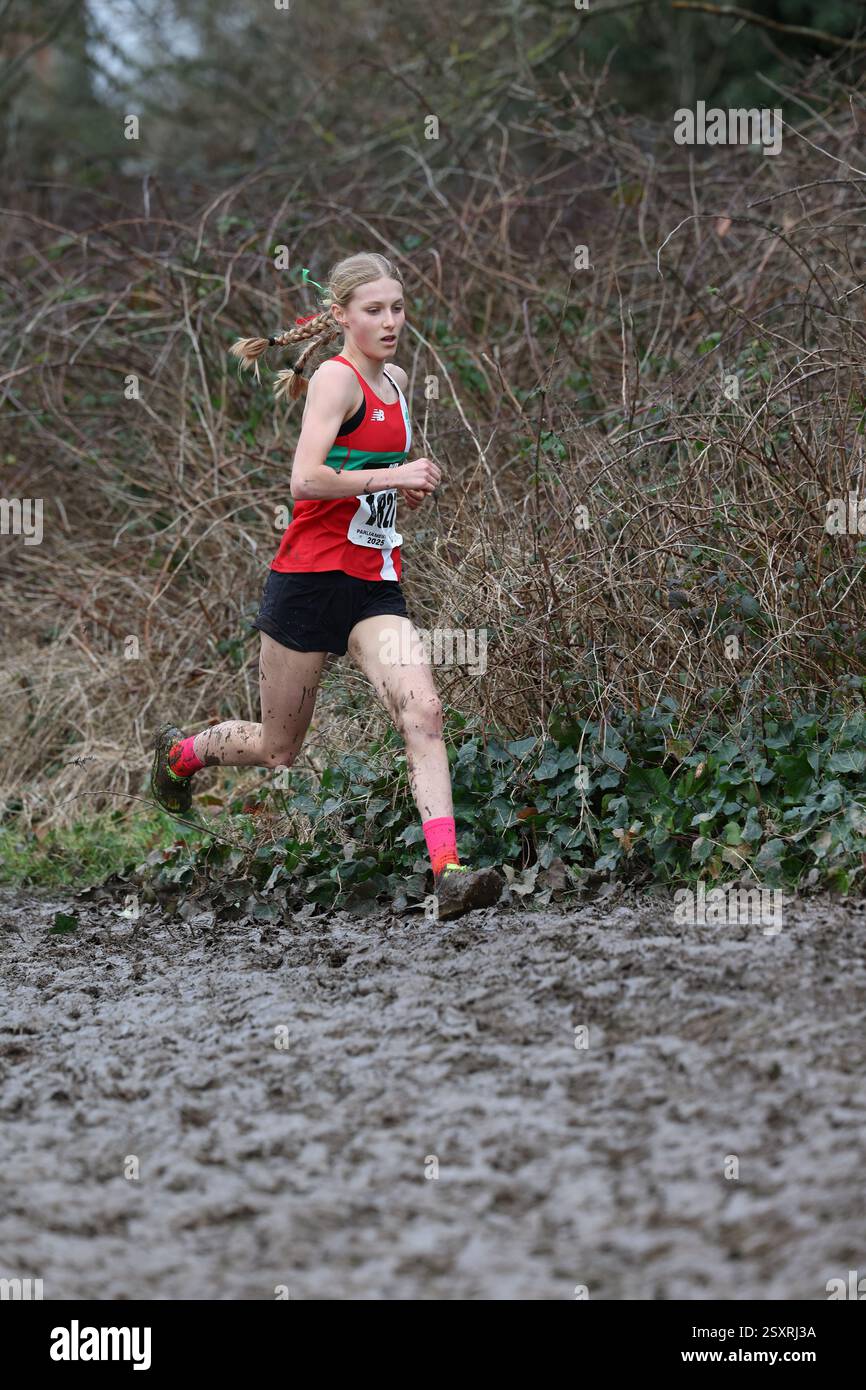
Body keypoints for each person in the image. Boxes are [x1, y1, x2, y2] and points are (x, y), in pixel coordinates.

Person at [151, 251, 502, 920]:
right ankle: (181, 754)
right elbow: (306, 479)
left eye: (397, 308)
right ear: (341, 316)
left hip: (373, 586)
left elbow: (366, 471)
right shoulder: (335, 383)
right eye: (374, 310)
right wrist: (392, 478)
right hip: (307, 584)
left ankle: (448, 872)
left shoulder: (396, 380)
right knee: (279, 749)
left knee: (423, 710)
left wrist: (404, 488)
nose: (391, 321)